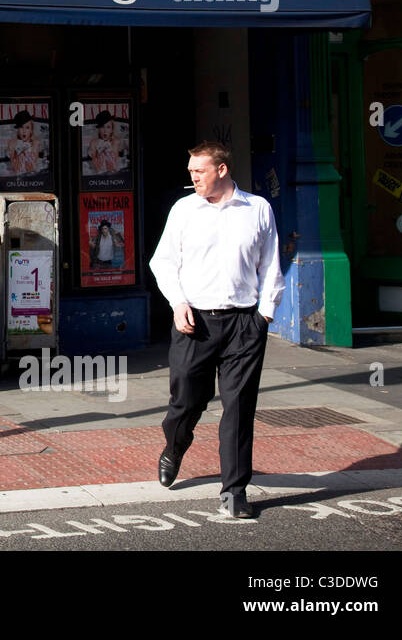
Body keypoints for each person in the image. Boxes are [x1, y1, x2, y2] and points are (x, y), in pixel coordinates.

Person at [149, 141, 284, 519]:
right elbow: (163, 262)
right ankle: (175, 447)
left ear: (222, 170)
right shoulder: (184, 210)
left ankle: (235, 491)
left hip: (244, 323)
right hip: (194, 321)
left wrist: (265, 316)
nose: (192, 177)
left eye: (199, 171)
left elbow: (270, 264)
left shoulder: (257, 209)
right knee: (186, 401)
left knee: (239, 409)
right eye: (191, 171)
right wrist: (178, 303)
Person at [7, 109, 42, 175]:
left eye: (27, 127)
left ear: (31, 130)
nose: (24, 131)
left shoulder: (35, 143)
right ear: (18, 129)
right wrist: (18, 153)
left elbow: (32, 167)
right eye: (21, 127)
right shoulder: (13, 144)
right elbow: (14, 168)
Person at [88, 110, 123, 174]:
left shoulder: (115, 141)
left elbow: (114, 164)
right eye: (102, 127)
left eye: (108, 127)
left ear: (112, 130)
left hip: (114, 173)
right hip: (99, 173)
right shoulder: (94, 142)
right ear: (98, 129)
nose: (105, 131)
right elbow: (96, 166)